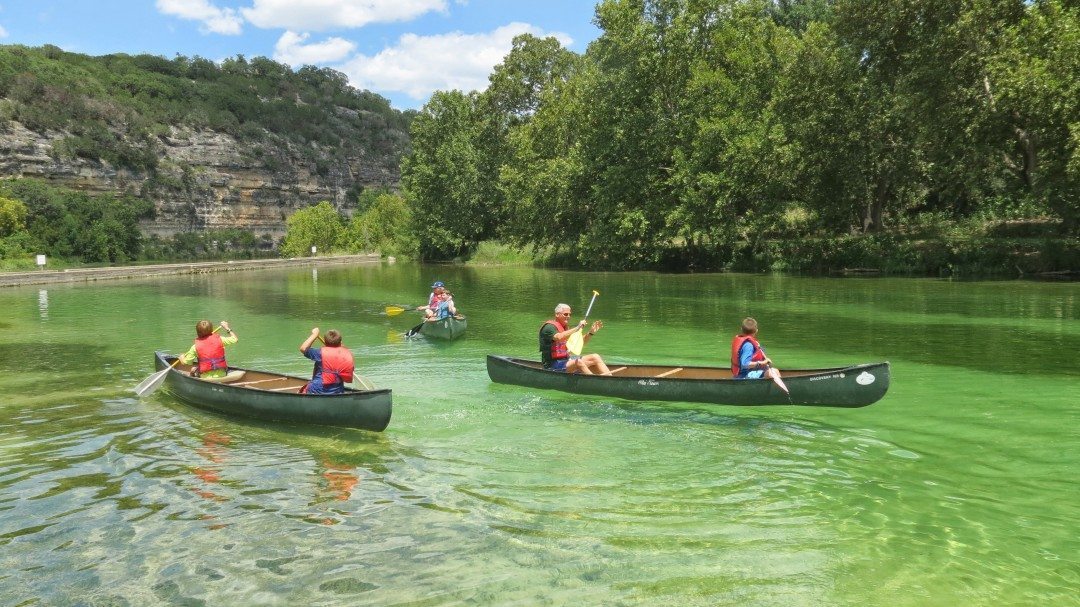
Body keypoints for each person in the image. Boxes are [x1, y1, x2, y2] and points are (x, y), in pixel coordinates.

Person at [539, 303, 612, 375]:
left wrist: (590, 333)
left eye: (569, 314)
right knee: (578, 362)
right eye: (565, 314)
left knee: (595, 357)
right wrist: (577, 328)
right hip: (552, 365)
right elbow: (559, 337)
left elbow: (578, 342)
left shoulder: (565, 328)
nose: (568, 316)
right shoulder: (548, 327)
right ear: (557, 314)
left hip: (566, 361)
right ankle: (596, 381)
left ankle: (610, 379)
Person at [299, 327, 355, 395]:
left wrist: (315, 335)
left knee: (303, 389)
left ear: (325, 342)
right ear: (340, 342)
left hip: (317, 390)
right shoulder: (347, 354)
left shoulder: (320, 353)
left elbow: (303, 348)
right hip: (337, 391)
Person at [730, 317, 784, 384]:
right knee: (772, 373)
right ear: (756, 331)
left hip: (747, 373)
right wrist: (762, 363)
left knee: (774, 371)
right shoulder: (748, 345)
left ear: (741, 329)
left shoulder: (751, 343)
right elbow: (744, 364)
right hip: (743, 376)